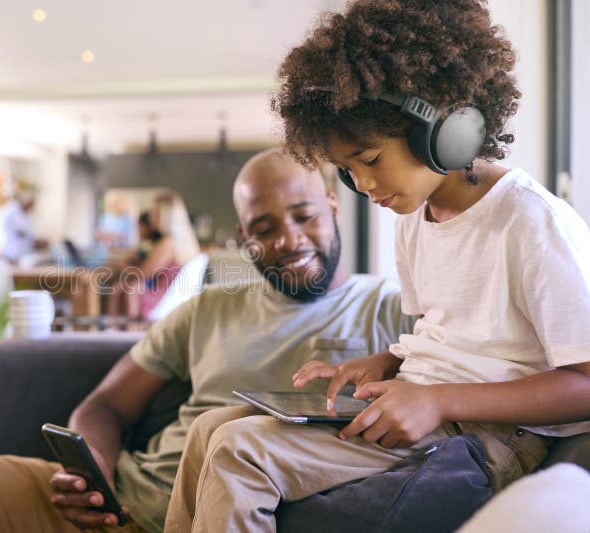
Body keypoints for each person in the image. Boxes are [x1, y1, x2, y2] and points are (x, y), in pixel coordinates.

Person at [0, 150, 415, 533]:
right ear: (244, 239)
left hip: (210, 518)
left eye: (303, 214)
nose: (288, 238)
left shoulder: (393, 310)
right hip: (108, 505)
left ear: (333, 206)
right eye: (263, 227)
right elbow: (105, 406)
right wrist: (91, 474)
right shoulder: (208, 309)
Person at [164, 1, 590, 531]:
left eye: (369, 159)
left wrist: (436, 400)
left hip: (491, 438)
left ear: (438, 128)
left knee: (238, 452)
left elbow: (585, 382)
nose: (362, 185)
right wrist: (383, 361)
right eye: (347, 170)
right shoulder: (414, 215)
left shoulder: (531, 222)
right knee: (209, 429)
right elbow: (452, 335)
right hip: (434, 412)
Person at [106, 191, 201, 322]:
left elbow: (143, 273)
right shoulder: (184, 241)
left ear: (165, 215)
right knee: (127, 286)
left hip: (161, 300)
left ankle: (125, 332)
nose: (150, 217)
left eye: (154, 212)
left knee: (129, 286)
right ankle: (118, 332)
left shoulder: (168, 243)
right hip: (172, 297)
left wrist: (123, 266)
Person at [0, 192, 48, 262]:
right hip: (12, 253)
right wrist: (35, 240)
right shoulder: (12, 211)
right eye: (30, 204)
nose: (30, 208)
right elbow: (22, 232)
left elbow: (27, 231)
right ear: (24, 201)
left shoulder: (24, 213)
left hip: (22, 253)